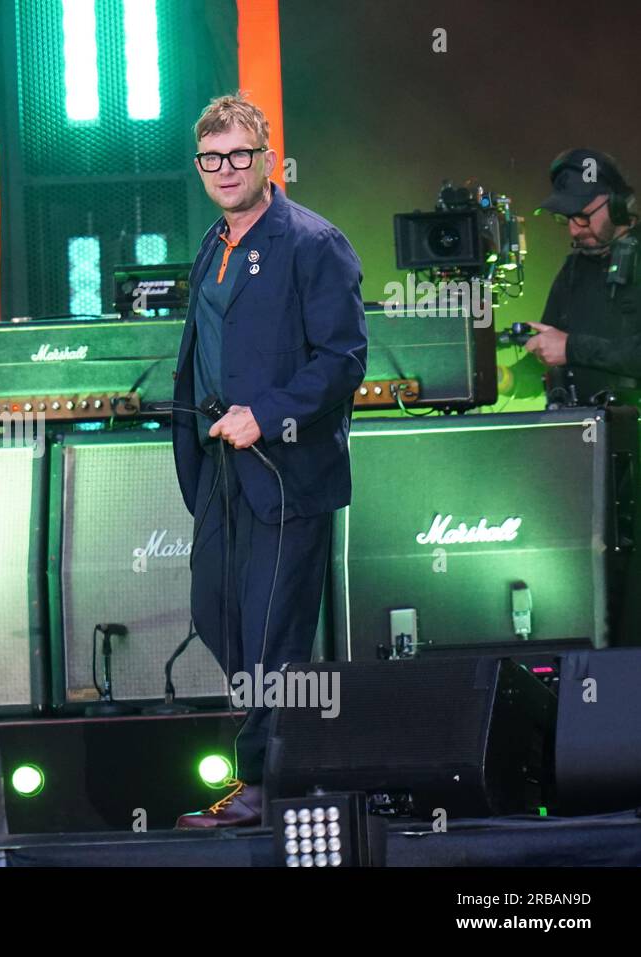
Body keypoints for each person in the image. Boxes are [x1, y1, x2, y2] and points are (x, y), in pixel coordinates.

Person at [171, 93, 367, 828]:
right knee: (216, 612)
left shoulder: (314, 243)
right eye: (212, 158)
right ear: (201, 167)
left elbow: (344, 360)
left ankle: (265, 782)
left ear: (267, 159)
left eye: (239, 155)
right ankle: (289, 753)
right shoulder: (213, 243)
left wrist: (269, 414)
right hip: (221, 467)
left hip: (287, 469)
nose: (226, 169)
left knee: (272, 632)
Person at [525, 149, 639, 406]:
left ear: (617, 205)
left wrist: (572, 348)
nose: (574, 229)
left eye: (582, 216)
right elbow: (553, 352)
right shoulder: (573, 270)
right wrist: (504, 377)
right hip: (587, 437)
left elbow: (567, 348)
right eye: (565, 218)